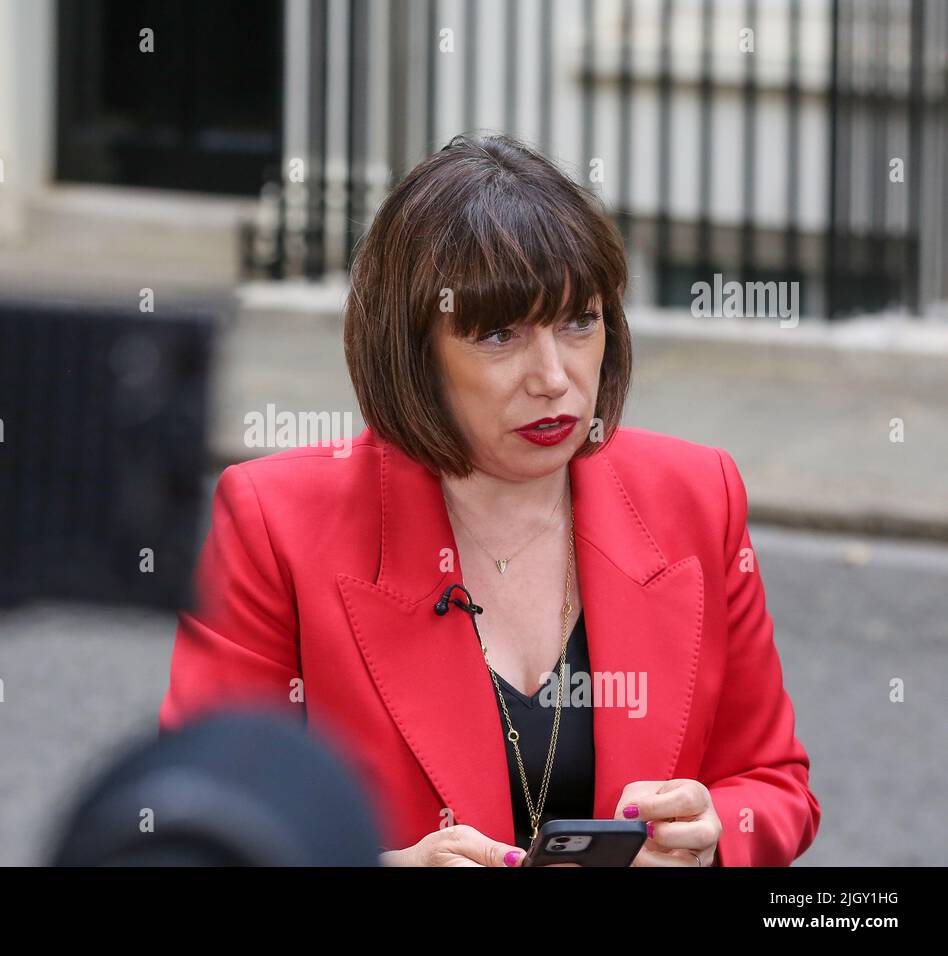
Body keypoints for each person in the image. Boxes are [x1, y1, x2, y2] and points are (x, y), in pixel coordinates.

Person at [159, 133, 821, 867]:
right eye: (500, 334)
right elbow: (202, 833)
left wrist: (714, 835)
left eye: (579, 322)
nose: (553, 377)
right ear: (413, 353)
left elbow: (772, 783)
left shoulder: (698, 494)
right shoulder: (272, 520)